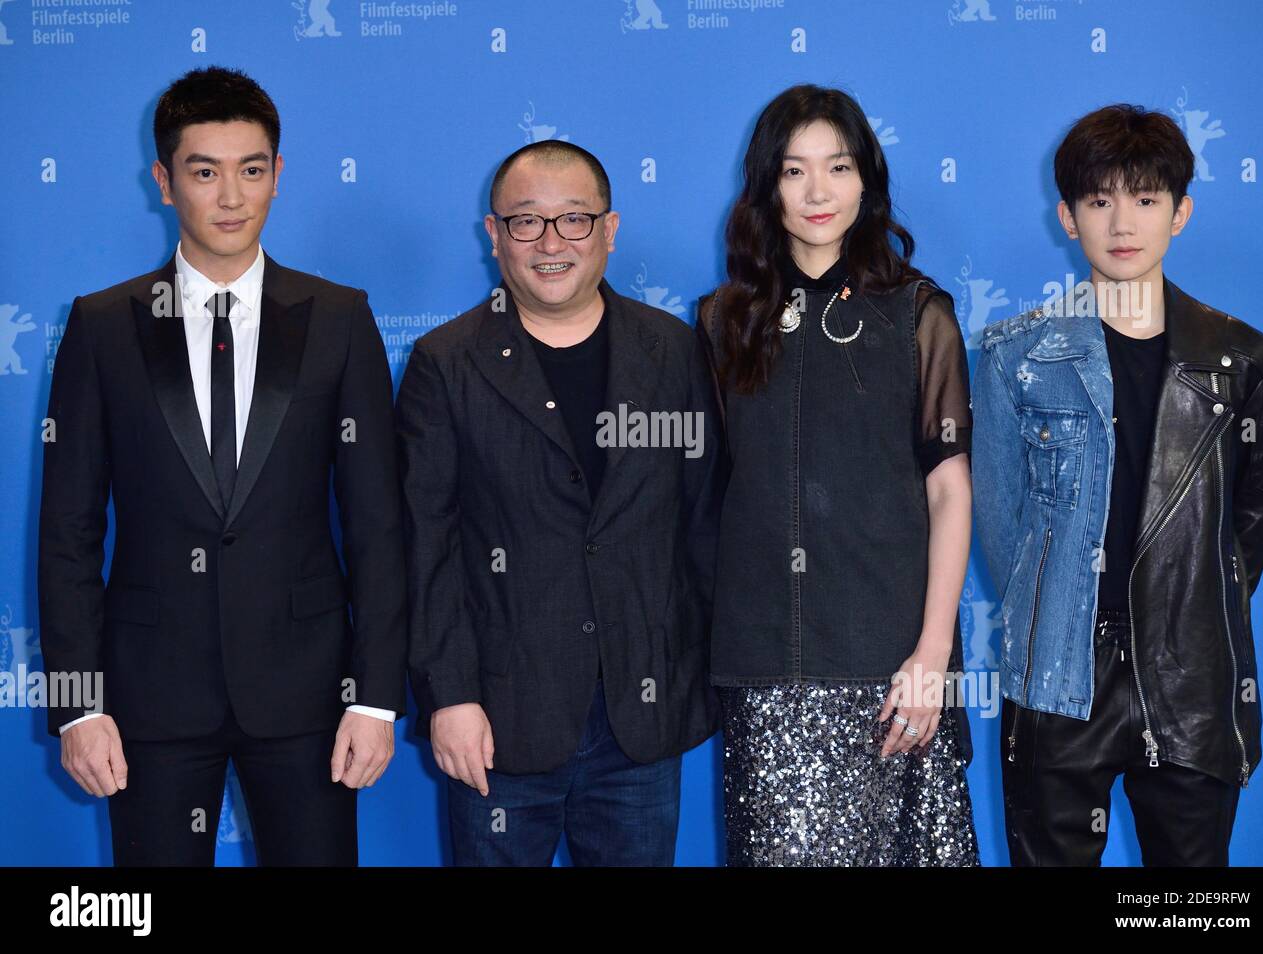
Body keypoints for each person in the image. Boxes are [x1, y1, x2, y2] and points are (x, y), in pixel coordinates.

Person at [39, 66, 407, 866]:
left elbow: (379, 522)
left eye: (251, 169)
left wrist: (376, 693)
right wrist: (76, 706)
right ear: (165, 183)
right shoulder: (103, 326)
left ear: (278, 176)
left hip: (311, 695)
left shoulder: (339, 319)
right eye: (205, 172)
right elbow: (67, 531)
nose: (231, 196)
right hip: (149, 699)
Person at [972, 104, 1263, 866]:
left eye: (1145, 199)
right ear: (1067, 216)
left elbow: (1252, 515)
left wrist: (1190, 610)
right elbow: (1001, 521)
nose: (1122, 221)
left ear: (1180, 213)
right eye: (1099, 199)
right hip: (1058, 668)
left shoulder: (1242, 359)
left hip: (1191, 672)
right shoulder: (1017, 354)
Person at [397, 140, 726, 866]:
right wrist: (449, 697)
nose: (551, 243)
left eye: (574, 220)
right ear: (493, 235)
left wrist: (693, 676)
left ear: (609, 230)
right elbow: (426, 547)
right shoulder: (446, 364)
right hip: (499, 720)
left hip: (640, 719)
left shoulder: (673, 351)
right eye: (526, 222)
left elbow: (702, 526)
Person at [696, 84, 979, 866]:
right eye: (794, 171)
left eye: (839, 166)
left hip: (891, 663)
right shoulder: (722, 321)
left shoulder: (919, 314)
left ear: (867, 180)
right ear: (766, 187)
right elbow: (709, 495)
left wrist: (931, 654)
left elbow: (950, 489)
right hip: (765, 663)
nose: (818, 191)